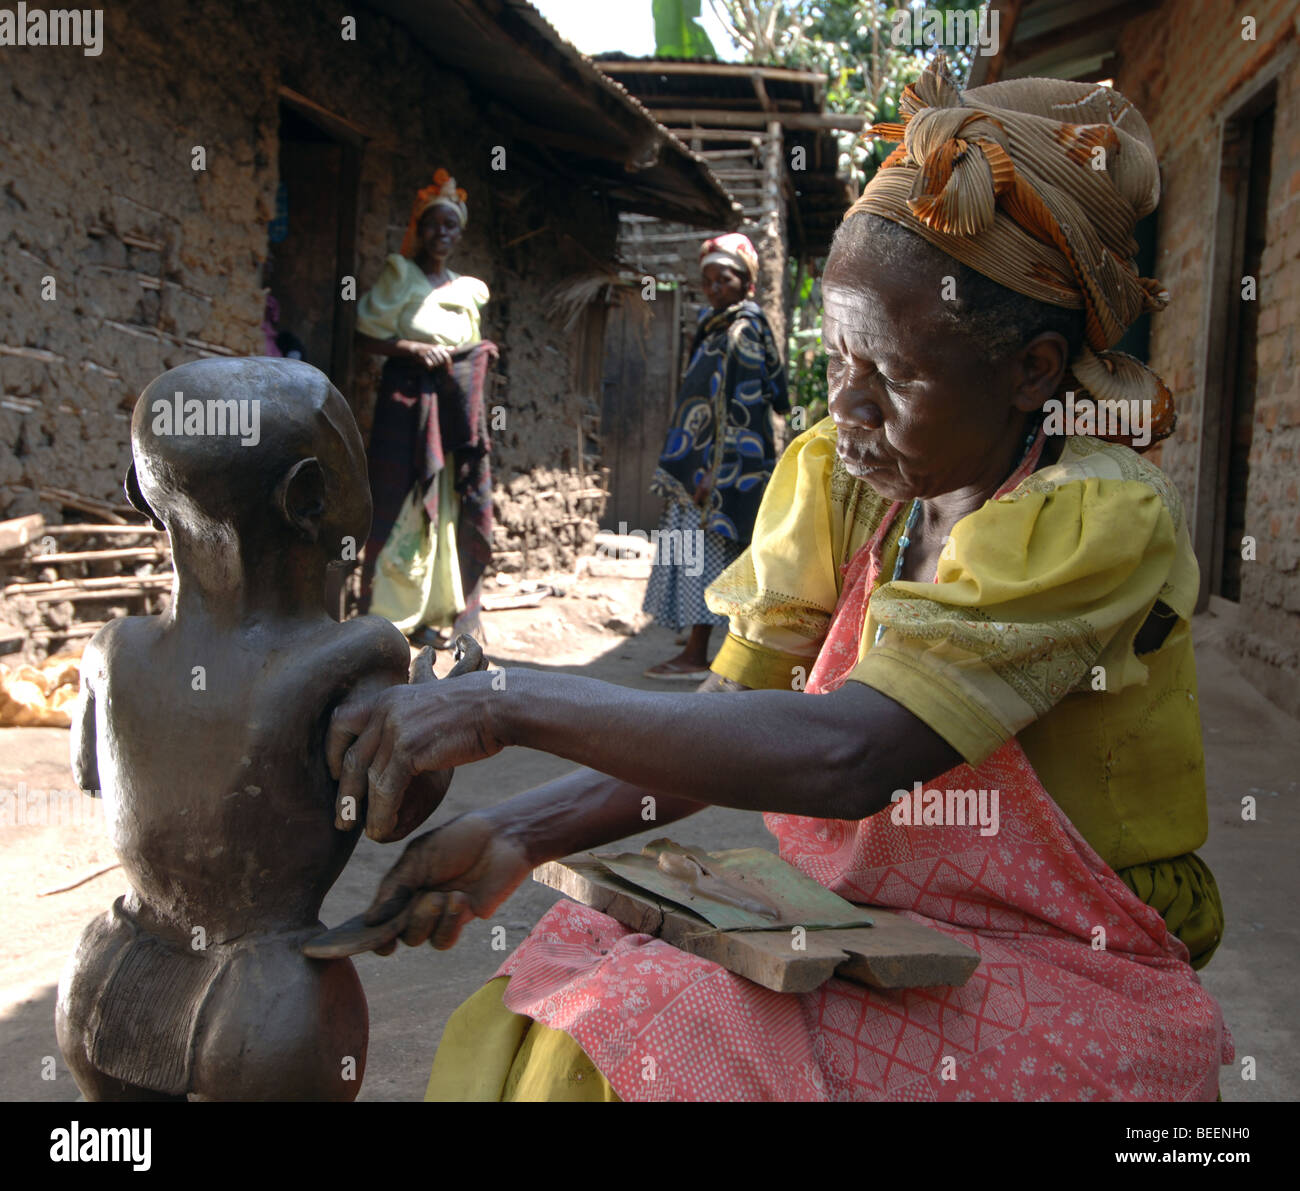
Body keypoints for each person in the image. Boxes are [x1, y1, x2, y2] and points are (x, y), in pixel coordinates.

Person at [327, 60, 1231, 1101]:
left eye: (889, 375)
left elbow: (848, 754)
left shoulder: (1092, 520)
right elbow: (732, 717)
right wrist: (519, 833)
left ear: (1031, 369)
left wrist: (508, 701)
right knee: (565, 994)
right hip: (893, 923)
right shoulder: (854, 488)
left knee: (656, 1034)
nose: (845, 408)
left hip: (1079, 951)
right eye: (836, 362)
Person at [355, 170, 495, 647]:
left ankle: (436, 609)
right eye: (434, 224)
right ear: (420, 228)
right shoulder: (401, 276)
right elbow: (366, 336)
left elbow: (471, 350)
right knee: (404, 501)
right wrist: (411, 348)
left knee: (448, 502)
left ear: (460, 233)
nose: (442, 233)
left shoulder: (466, 288)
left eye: (451, 226)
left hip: (452, 414)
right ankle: (393, 612)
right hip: (408, 406)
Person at [642, 233, 788, 681]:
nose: (713, 288)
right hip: (702, 465)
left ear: (746, 283)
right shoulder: (715, 324)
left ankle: (697, 656)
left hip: (720, 471)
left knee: (705, 559)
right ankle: (709, 655)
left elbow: (742, 409)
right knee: (700, 557)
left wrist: (715, 471)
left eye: (723, 279)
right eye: (707, 281)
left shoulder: (742, 328)